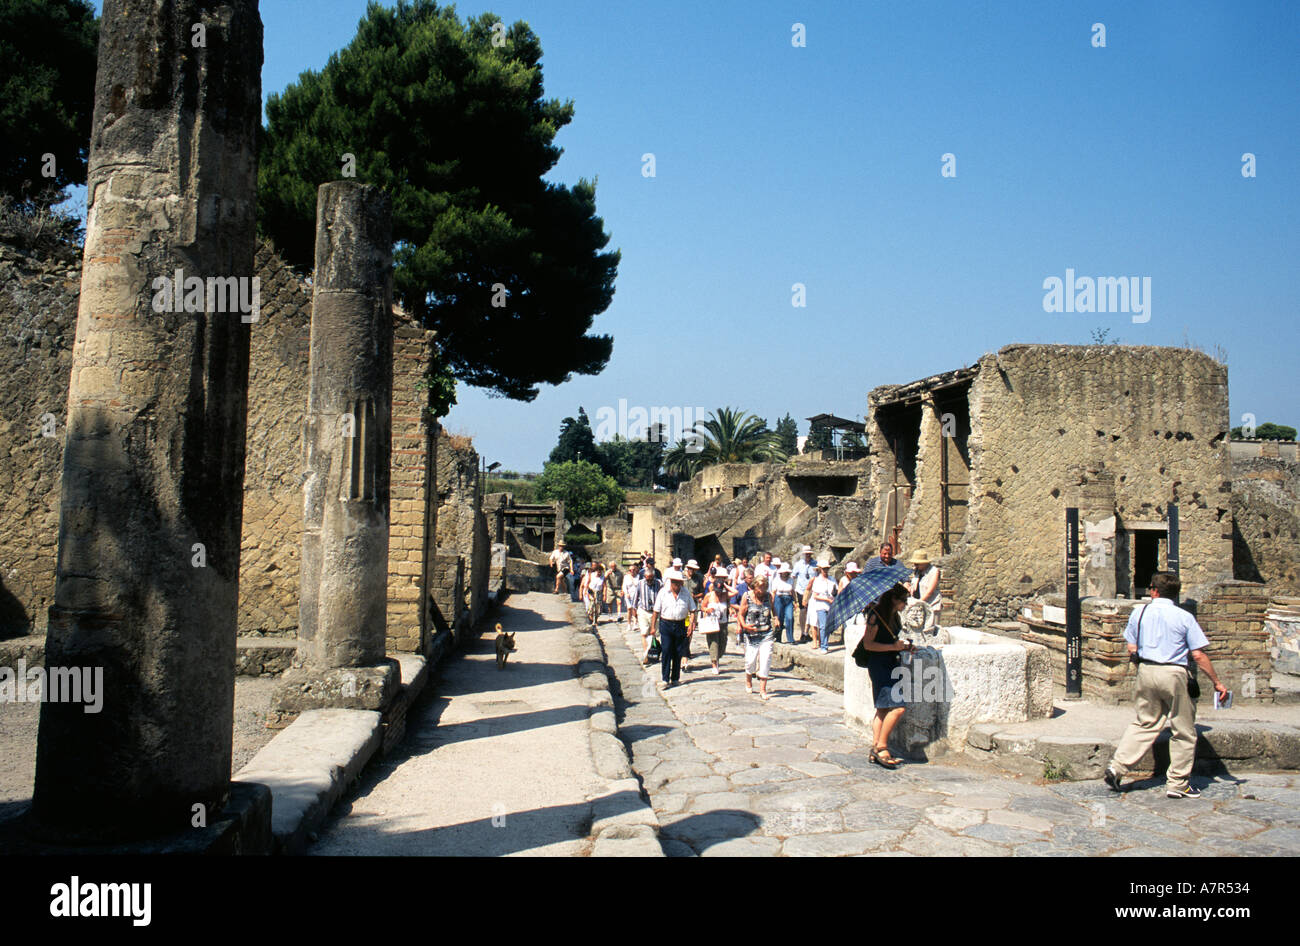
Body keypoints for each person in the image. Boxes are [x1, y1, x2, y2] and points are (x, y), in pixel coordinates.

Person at [1104, 572, 1228, 799]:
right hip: (1174, 672)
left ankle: (1117, 767)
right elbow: (1198, 655)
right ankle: (1178, 784)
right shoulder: (1184, 617)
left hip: (1146, 670)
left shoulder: (1139, 613)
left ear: (1153, 590)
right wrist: (1217, 683)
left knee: (1145, 722)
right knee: (1183, 730)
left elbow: (1131, 647)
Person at [858, 583, 913, 768]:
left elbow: (891, 640)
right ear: (893, 599)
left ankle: (877, 747)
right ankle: (882, 746)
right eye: (903, 600)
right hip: (880, 665)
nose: (905, 604)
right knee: (898, 707)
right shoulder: (875, 617)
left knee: (882, 708)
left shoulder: (893, 617)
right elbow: (868, 645)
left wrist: (904, 646)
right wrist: (892, 647)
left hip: (890, 662)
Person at [651, 568, 696, 689]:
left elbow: (692, 610)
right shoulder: (663, 592)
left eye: (679, 582)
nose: (678, 585)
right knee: (666, 650)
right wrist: (653, 627)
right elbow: (656, 611)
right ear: (671, 582)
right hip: (666, 624)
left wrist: (691, 624)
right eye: (675, 582)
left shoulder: (685, 593)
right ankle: (665, 679)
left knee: (678, 652)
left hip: (681, 624)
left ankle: (675, 678)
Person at [735, 575, 778, 700]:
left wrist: (776, 618)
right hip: (751, 635)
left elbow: (773, 610)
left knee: (765, 660)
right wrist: (744, 626)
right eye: (759, 589)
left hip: (766, 633)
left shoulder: (768, 596)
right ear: (754, 587)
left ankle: (762, 690)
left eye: (764, 588)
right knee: (750, 661)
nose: (761, 591)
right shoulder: (747, 596)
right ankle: (748, 680)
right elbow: (741, 615)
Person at [700, 568, 733, 675]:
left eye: (720, 591)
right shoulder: (709, 596)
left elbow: (735, 592)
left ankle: (717, 658)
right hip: (712, 622)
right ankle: (714, 664)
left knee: (723, 645)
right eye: (716, 591)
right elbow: (702, 607)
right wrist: (707, 610)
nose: (718, 593)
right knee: (713, 643)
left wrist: (725, 585)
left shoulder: (724, 595)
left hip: (723, 623)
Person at [630, 564, 663, 664]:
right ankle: (646, 655)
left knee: (656, 634)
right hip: (643, 610)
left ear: (654, 577)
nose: (649, 581)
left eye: (651, 579)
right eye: (647, 579)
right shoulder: (640, 584)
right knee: (644, 633)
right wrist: (634, 611)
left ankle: (655, 653)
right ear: (644, 577)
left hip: (655, 612)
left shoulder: (659, 584)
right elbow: (635, 598)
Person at [906, 550, 941, 631]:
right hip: (918, 609)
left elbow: (929, 592)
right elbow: (915, 586)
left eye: (917, 564)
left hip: (931, 606)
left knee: (931, 631)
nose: (915, 565)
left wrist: (917, 603)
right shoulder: (917, 572)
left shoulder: (934, 571)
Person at [808, 559, 837, 653]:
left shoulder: (832, 579)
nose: (825, 570)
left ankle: (824, 643)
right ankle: (824, 646)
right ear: (820, 569)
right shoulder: (817, 580)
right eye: (824, 569)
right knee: (823, 626)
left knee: (828, 625)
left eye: (827, 568)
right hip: (821, 605)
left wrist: (833, 596)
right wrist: (826, 599)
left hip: (831, 605)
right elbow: (815, 595)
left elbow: (835, 591)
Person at [791, 545, 816, 642]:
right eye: (806, 554)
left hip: (812, 591)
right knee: (803, 610)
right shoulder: (798, 564)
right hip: (801, 590)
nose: (808, 556)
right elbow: (793, 576)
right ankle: (802, 632)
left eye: (809, 554)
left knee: (810, 611)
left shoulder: (815, 564)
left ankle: (807, 631)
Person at [770, 561, 797, 644]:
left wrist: (795, 601)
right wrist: (772, 603)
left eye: (786, 573)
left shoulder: (791, 580)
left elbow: (792, 591)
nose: (785, 574)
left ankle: (790, 638)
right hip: (779, 599)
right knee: (779, 618)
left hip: (788, 599)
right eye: (784, 572)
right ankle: (778, 637)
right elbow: (773, 592)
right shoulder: (776, 580)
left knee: (790, 617)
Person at [582, 563, 605, 628]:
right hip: (592, 591)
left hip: (599, 592)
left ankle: (595, 620)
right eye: (598, 571)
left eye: (600, 571)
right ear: (596, 571)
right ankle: (592, 619)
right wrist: (586, 591)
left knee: (598, 607)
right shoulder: (591, 575)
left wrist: (605, 594)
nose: (599, 573)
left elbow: (604, 586)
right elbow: (587, 583)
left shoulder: (603, 576)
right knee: (592, 606)